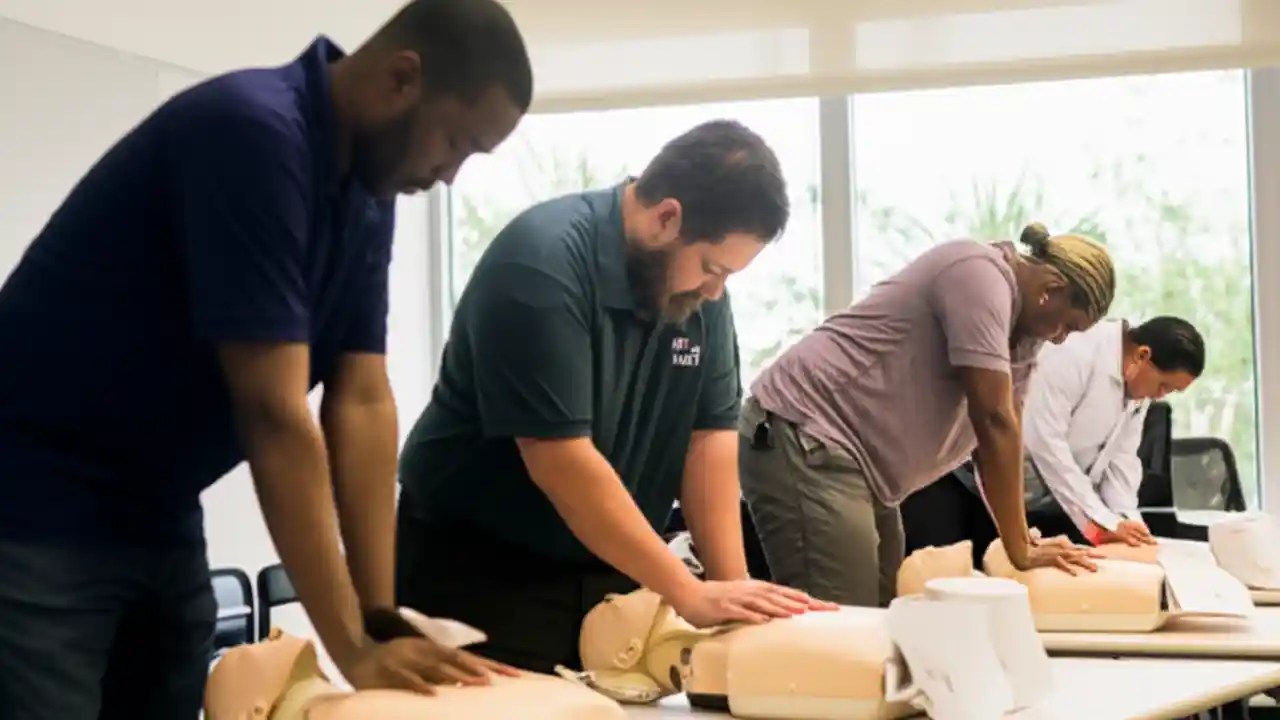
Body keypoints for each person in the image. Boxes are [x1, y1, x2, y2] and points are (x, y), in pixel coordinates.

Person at [0, 2, 532, 718]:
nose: (448, 177)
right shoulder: (251, 132)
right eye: (456, 143)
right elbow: (274, 413)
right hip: (35, 505)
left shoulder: (367, 192)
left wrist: (380, 616)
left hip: (157, 507)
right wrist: (351, 651)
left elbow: (361, 397)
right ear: (404, 79)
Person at [396, 119, 833, 674]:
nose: (715, 290)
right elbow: (561, 461)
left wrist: (730, 591)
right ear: (667, 217)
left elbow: (708, 439)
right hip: (478, 566)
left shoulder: (699, 295)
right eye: (711, 268)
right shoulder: (542, 264)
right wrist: (687, 592)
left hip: (607, 563)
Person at [739, 223, 1116, 608]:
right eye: (1066, 325)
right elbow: (993, 420)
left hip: (862, 466)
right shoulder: (979, 274)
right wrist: (1019, 548)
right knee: (844, 620)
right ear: (1050, 289)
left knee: (885, 610)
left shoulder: (1022, 334)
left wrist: (1021, 538)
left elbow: (1004, 437)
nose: (1059, 339)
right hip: (807, 433)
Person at [904, 316, 1205, 554]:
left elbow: (1121, 463)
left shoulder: (1138, 391)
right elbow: (1044, 443)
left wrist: (1129, 523)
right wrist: (1104, 520)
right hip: (963, 482)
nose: (1161, 396)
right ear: (1143, 355)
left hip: (1032, 497)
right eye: (1165, 386)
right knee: (946, 585)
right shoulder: (1077, 351)